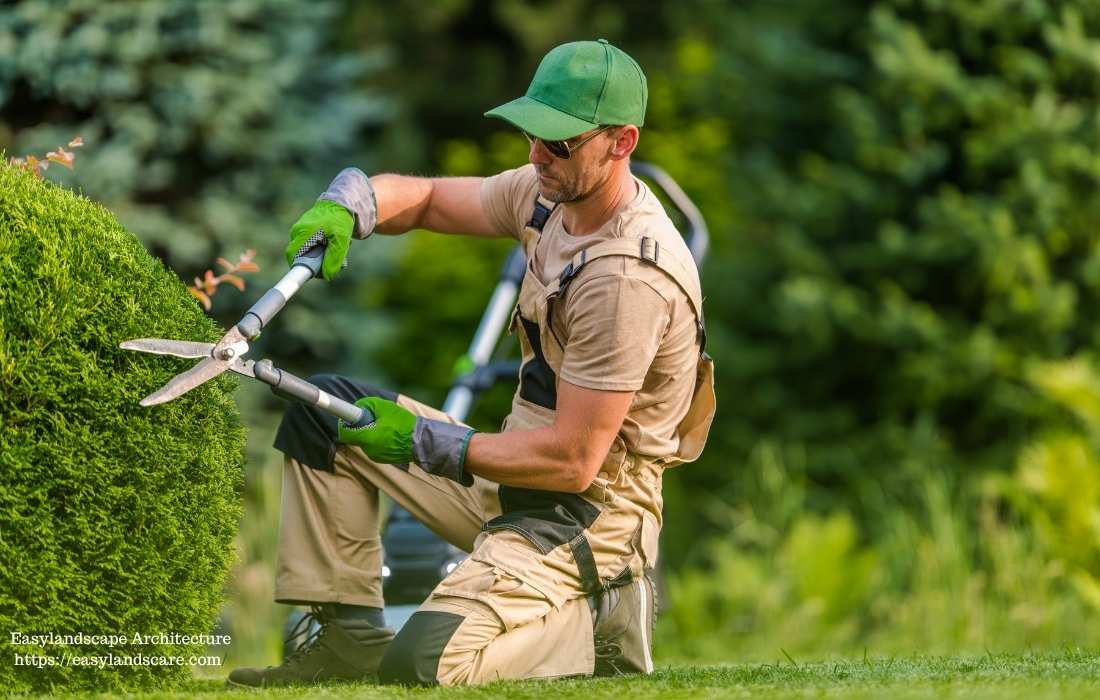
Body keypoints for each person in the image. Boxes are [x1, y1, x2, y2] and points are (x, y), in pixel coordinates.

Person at [227, 38, 715, 688]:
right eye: (532, 134)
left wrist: (425, 441)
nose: (538, 154)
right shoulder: (550, 196)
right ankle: (344, 645)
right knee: (325, 416)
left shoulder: (628, 277)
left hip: (587, 522)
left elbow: (572, 464)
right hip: (512, 477)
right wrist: (353, 201)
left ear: (622, 142)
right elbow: (427, 198)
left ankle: (595, 620)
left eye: (560, 142)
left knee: (424, 663)